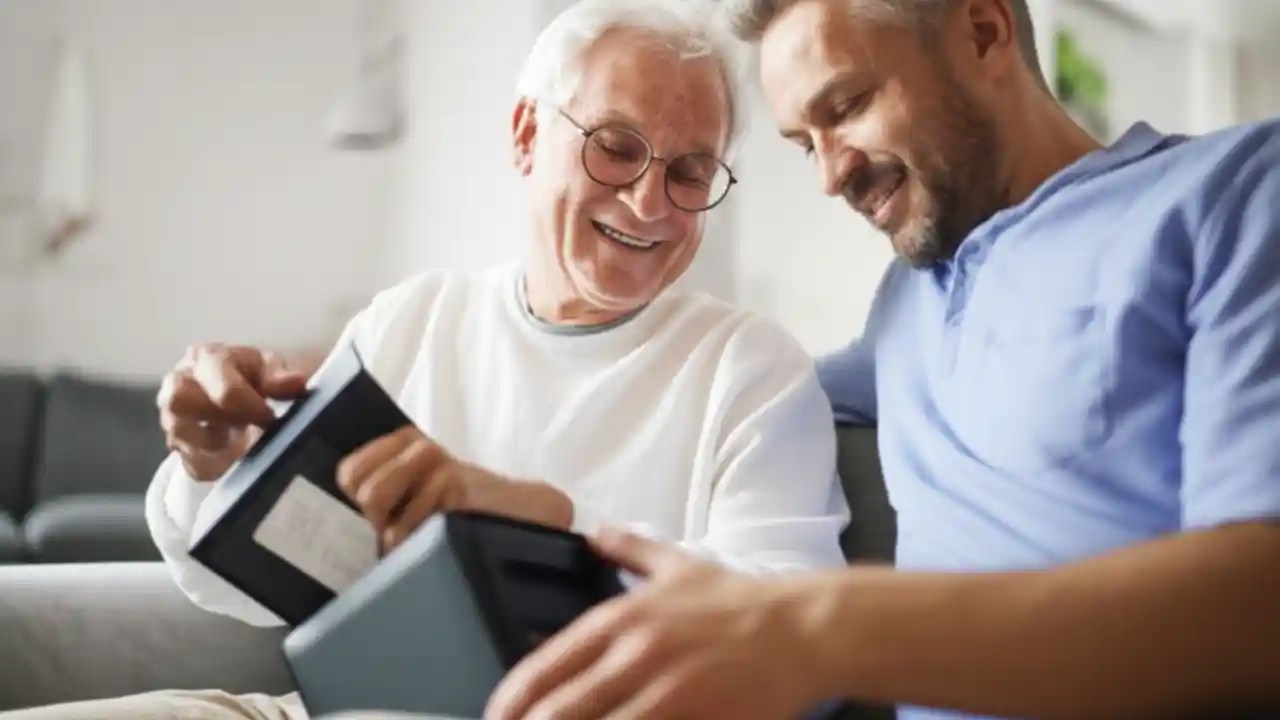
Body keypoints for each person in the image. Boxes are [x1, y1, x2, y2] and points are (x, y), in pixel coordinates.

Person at [5, 2, 849, 719]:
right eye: (616, 147)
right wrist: (219, 471)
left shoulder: (751, 370)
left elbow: (791, 626)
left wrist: (545, 523)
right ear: (526, 135)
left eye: (690, 171)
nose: (647, 202)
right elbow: (238, 592)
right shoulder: (414, 320)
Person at [485, 0, 1280, 718]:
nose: (832, 174)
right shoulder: (901, 310)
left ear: (983, 31)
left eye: (848, 106)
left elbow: (1260, 607)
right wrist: (530, 509)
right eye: (806, 143)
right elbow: (718, 403)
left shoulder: (1235, 195)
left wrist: (817, 630)